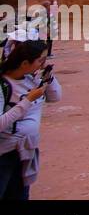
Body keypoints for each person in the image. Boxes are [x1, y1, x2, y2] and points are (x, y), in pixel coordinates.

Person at [2, 40, 61, 200]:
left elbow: (55, 97)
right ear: (25, 63)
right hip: (5, 152)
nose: (43, 63)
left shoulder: (30, 79)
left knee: (19, 195)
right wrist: (27, 100)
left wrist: (48, 78)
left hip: (24, 150)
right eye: (40, 60)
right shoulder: (4, 85)